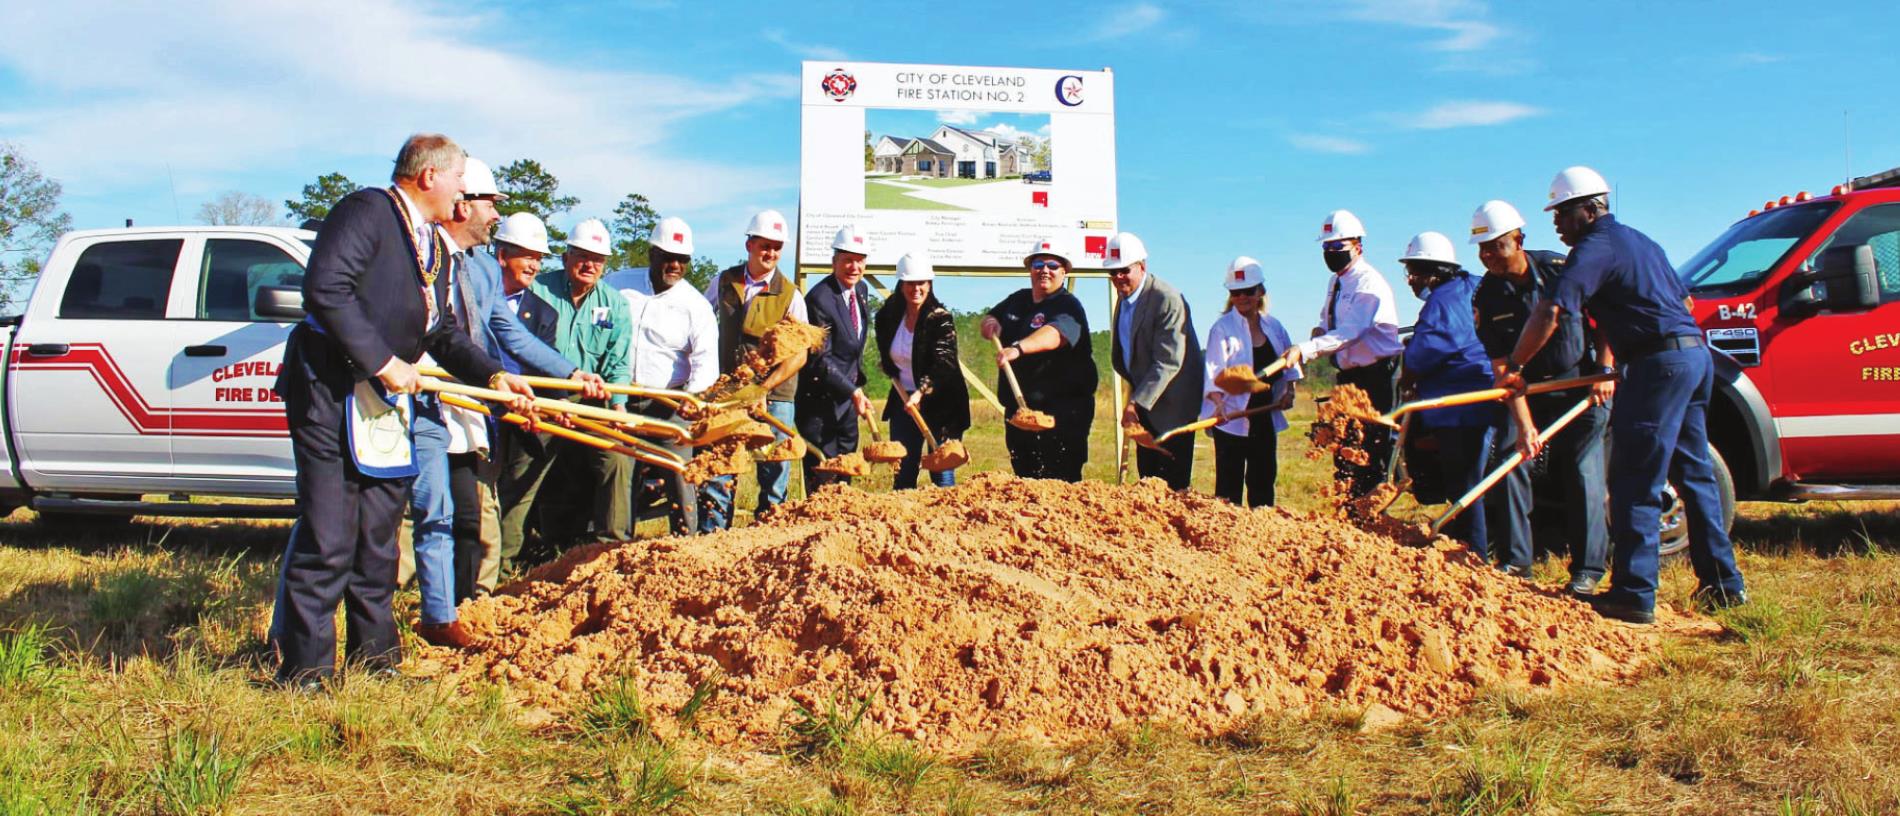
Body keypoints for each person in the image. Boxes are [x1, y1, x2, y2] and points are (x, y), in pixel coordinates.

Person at [270, 133, 535, 688]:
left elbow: (437, 328)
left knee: (378, 537)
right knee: (329, 533)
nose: (465, 189)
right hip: (330, 391)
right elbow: (326, 289)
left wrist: (493, 374)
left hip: (386, 404)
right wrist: (382, 360)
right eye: (460, 177)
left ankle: (376, 660)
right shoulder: (366, 211)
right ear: (429, 176)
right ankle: (306, 670)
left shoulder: (433, 246)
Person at [1495, 165, 1747, 624]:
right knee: (1694, 475)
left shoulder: (1594, 249)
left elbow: (1553, 310)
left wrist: (1514, 366)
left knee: (1634, 480)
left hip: (1658, 366)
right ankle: (1724, 585)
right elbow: (1686, 305)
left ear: (1589, 211)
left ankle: (1634, 594)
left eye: (1562, 213)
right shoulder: (1640, 242)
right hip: (1693, 357)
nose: (1555, 223)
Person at [405, 159, 602, 647]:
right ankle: (396, 603)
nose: (494, 216)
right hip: (423, 392)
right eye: (491, 205)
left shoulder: (479, 272)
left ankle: (448, 613)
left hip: (468, 400)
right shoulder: (421, 253)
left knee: (464, 515)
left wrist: (567, 373)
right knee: (422, 510)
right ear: (460, 202)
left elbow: (505, 331)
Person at [1470, 199, 1613, 591]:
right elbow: (1503, 369)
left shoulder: (1559, 271)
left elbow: (1603, 322)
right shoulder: (1486, 297)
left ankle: (1588, 570)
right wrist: (1524, 425)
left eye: (1496, 246)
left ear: (1519, 240)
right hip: (1529, 391)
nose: (1489, 257)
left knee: (1583, 469)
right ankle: (1516, 562)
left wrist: (1603, 369)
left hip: (1582, 386)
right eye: (1482, 249)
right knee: (1510, 457)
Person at [516, 218, 634, 554]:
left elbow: (617, 362)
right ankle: (514, 554)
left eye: (597, 259)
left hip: (592, 399)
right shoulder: (538, 290)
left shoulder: (614, 304)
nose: (589, 265)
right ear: (566, 256)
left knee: (616, 456)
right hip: (540, 397)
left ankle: (609, 550)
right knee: (527, 466)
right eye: (582, 255)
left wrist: (618, 407)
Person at [1281, 209, 1404, 499]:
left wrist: (1306, 349)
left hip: (1377, 377)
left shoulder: (1368, 283)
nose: (1331, 253)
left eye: (1338, 247)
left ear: (1358, 246)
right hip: (1348, 377)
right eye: (1326, 247)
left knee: (1372, 450)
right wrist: (1318, 333)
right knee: (1346, 446)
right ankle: (1349, 507)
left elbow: (1352, 331)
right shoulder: (1336, 282)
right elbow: (1328, 322)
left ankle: (1371, 513)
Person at [607, 216, 718, 535]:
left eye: (681, 259)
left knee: (680, 474)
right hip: (622, 400)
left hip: (671, 404)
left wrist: (693, 397)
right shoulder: (618, 284)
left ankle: (685, 541)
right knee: (620, 475)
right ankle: (616, 545)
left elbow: (706, 359)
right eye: (667, 257)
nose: (674, 265)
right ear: (652, 253)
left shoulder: (695, 306)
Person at [701, 209, 809, 528]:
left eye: (777, 247)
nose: (771, 253)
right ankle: (713, 541)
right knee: (720, 470)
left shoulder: (791, 296)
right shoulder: (722, 282)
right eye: (765, 245)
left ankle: (768, 541)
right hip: (730, 394)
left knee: (774, 477)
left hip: (774, 397)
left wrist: (763, 389)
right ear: (749, 244)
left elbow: (799, 354)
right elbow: (699, 320)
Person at [1396, 231, 1501, 553]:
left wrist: (1407, 372)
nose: (1411, 282)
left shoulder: (1442, 302)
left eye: (1413, 273)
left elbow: (1426, 350)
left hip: (1459, 405)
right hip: (1487, 392)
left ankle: (1474, 553)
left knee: (1465, 483)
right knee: (1477, 478)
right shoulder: (1474, 285)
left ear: (1433, 272)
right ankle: (1470, 540)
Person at [982, 238, 1098, 481]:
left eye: (1052, 265)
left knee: (1060, 478)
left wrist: (1018, 348)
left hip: (1062, 411)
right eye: (1038, 264)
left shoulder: (1068, 305)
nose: (1045, 270)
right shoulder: (1018, 299)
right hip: (1020, 410)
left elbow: (1056, 334)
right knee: (1025, 476)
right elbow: (991, 318)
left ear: (1064, 271)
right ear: (1030, 269)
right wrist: (990, 323)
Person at [1107, 232, 1204, 490]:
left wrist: (1135, 403)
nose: (1118, 278)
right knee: (1148, 483)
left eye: (1123, 270)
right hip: (1145, 407)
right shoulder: (1124, 300)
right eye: (1112, 272)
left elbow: (1168, 360)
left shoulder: (1166, 298)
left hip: (1174, 407)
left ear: (1142, 266)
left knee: (1173, 486)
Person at [1200, 256, 1300, 508]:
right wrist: (1218, 404)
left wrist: (1290, 391)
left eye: (1247, 291)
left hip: (1263, 417)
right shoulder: (1221, 329)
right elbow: (1213, 374)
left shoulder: (1275, 326)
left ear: (1260, 292)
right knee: (1228, 488)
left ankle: (1262, 537)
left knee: (1263, 481)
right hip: (1231, 420)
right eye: (1235, 292)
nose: (1241, 297)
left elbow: (1290, 365)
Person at [874, 252, 970, 488]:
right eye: (910, 282)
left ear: (930, 284)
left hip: (942, 402)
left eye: (922, 283)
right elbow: (886, 350)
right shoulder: (888, 316)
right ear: (901, 284)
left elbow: (944, 363)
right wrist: (888, 366)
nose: (916, 288)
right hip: (903, 399)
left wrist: (920, 392)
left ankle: (947, 520)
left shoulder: (940, 319)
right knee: (904, 469)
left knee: (942, 470)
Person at [797, 226, 878, 490]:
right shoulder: (819, 299)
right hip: (820, 406)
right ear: (834, 262)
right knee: (823, 478)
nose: (854, 267)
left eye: (859, 260)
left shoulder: (862, 291)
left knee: (846, 474)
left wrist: (856, 388)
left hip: (846, 407)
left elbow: (852, 348)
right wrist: (853, 390)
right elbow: (820, 360)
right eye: (847, 260)